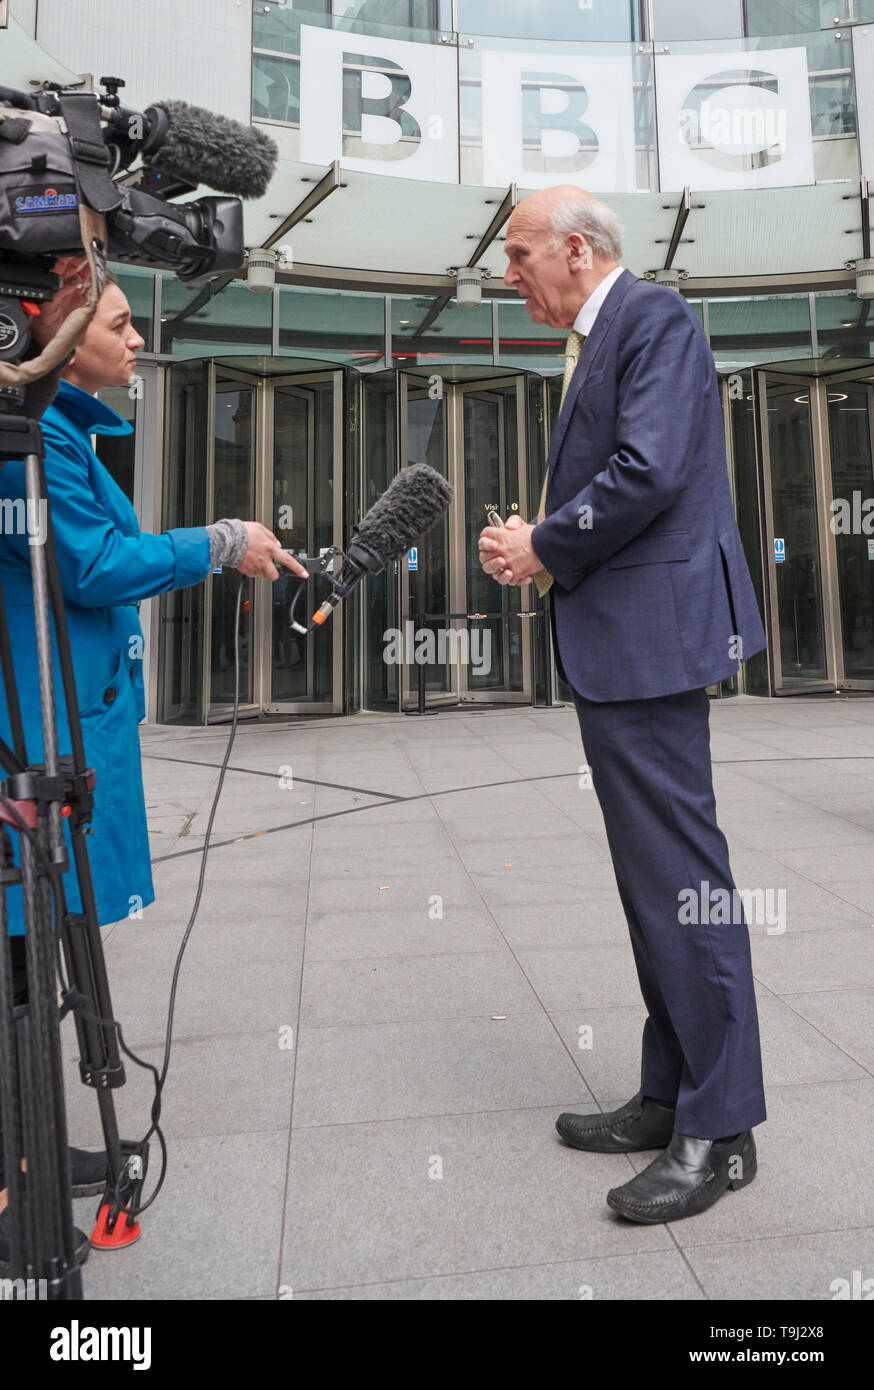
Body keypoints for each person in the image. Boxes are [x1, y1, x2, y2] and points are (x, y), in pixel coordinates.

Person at [0, 273, 308, 1269]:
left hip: (62, 730)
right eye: (122, 322)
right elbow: (90, 565)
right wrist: (219, 541)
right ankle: (15, 1195)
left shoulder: (58, 427)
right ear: (48, 329)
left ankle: (35, 1144)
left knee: (33, 959)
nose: (139, 338)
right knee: (13, 967)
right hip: (28, 738)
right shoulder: (32, 438)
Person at [478, 185, 768, 1224]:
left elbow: (647, 472)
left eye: (515, 256)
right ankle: (670, 1094)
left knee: (684, 884)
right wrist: (541, 543)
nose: (505, 274)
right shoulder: (609, 335)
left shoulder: (654, 320)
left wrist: (541, 544)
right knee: (656, 888)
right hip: (624, 647)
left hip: (650, 649)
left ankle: (720, 1129)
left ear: (573, 248)